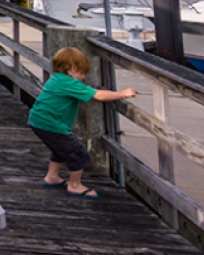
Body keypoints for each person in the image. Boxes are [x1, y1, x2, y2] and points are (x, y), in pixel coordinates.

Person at [29, 47, 137, 200]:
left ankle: (52, 177)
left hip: (39, 121)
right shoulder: (68, 83)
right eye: (83, 72)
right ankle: (75, 186)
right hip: (51, 124)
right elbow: (98, 95)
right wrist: (122, 94)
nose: (84, 77)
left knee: (60, 150)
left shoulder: (57, 78)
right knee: (78, 153)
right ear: (73, 69)